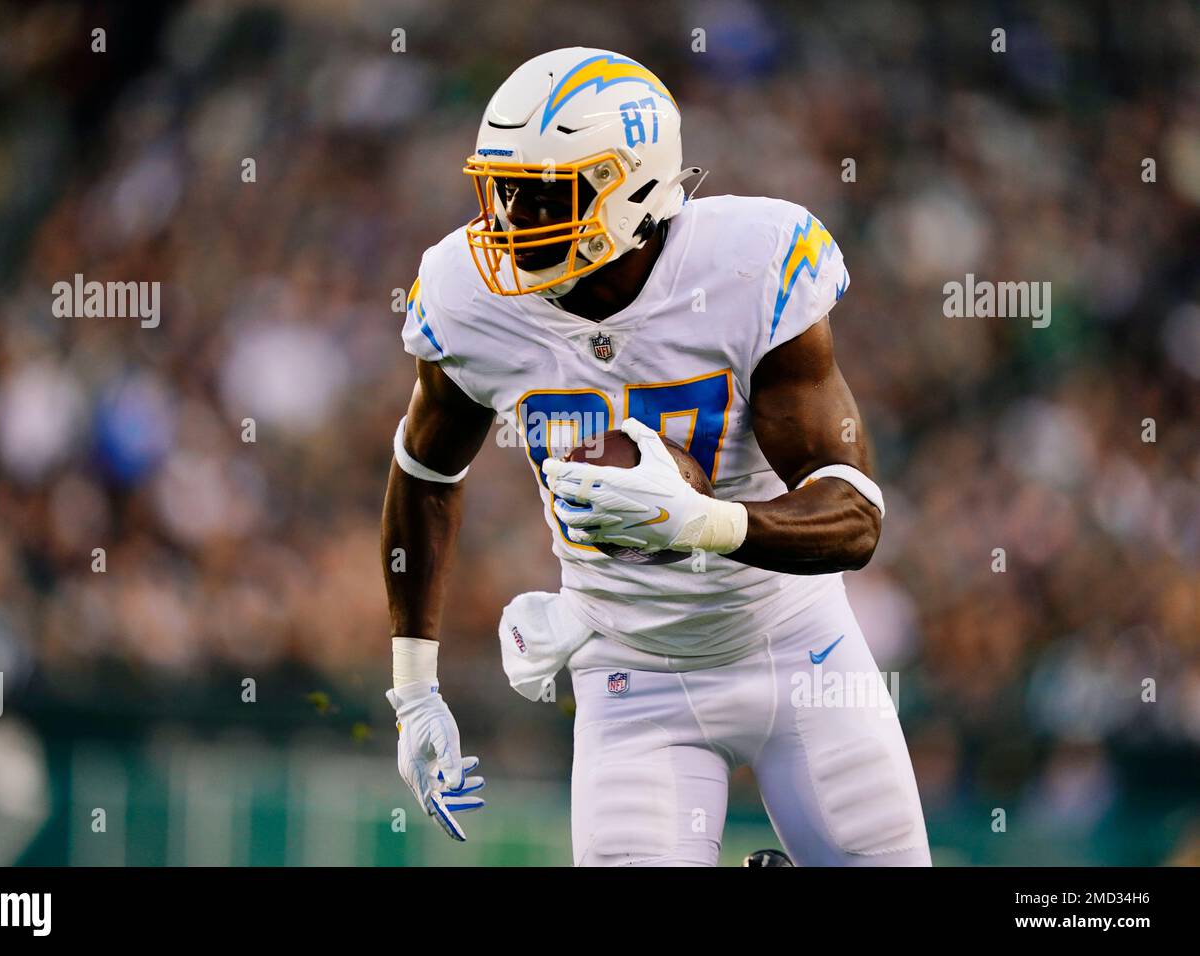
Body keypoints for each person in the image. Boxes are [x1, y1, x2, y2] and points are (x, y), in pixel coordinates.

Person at [381, 47, 930, 866]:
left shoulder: (749, 261)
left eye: (538, 197)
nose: (505, 222)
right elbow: (425, 474)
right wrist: (414, 693)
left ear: (630, 188)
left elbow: (854, 514)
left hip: (798, 650)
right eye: (499, 192)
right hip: (631, 677)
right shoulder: (468, 297)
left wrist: (708, 524)